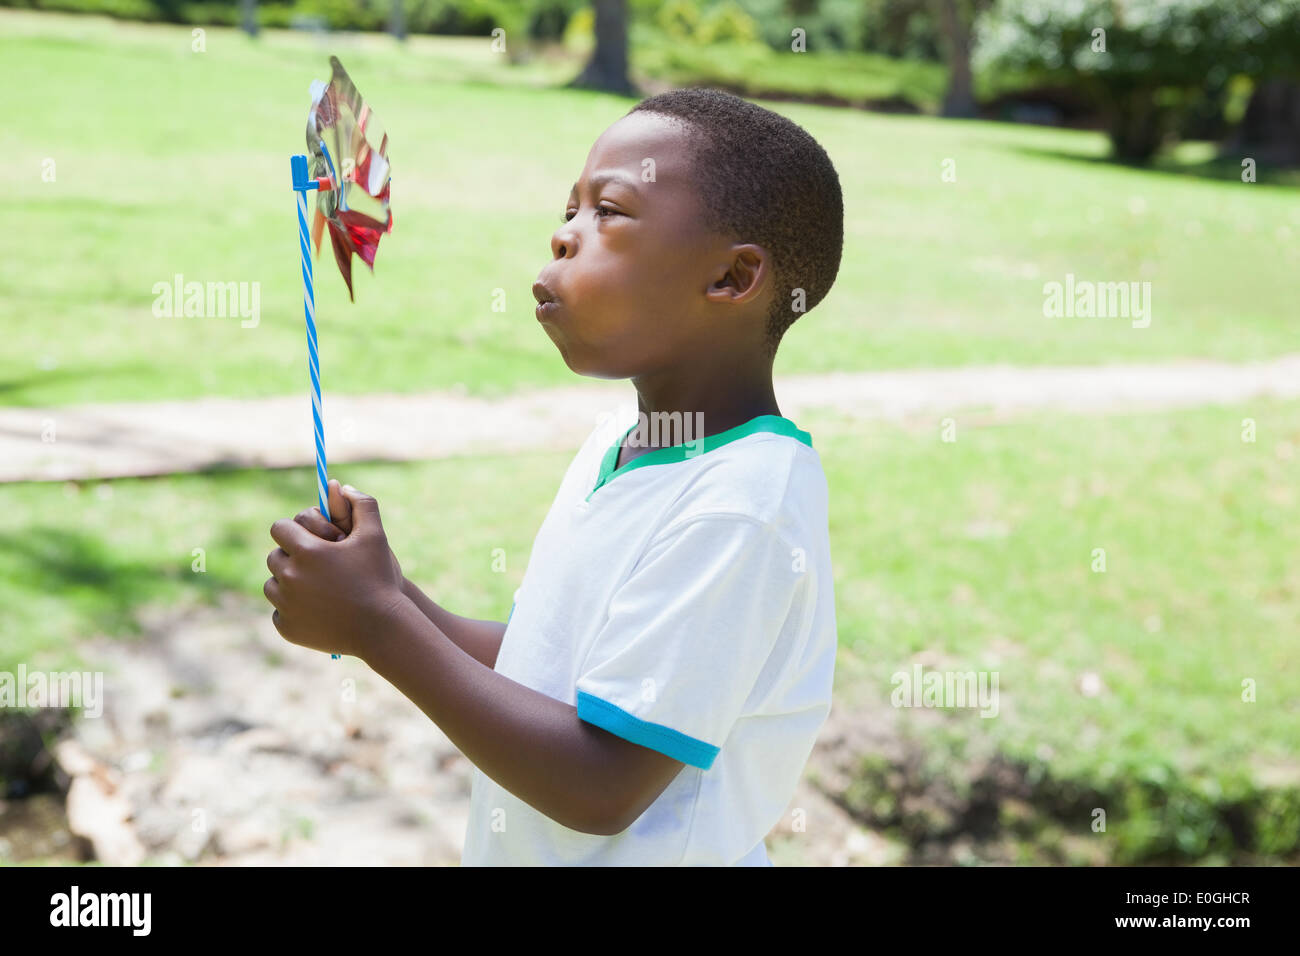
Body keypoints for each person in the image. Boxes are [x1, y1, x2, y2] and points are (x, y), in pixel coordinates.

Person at [264, 87, 845, 865]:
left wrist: (376, 625)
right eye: (569, 209)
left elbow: (600, 784)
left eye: (609, 211)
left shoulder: (741, 507)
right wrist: (391, 594)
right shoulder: (624, 442)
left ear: (732, 279)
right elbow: (549, 665)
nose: (565, 235)